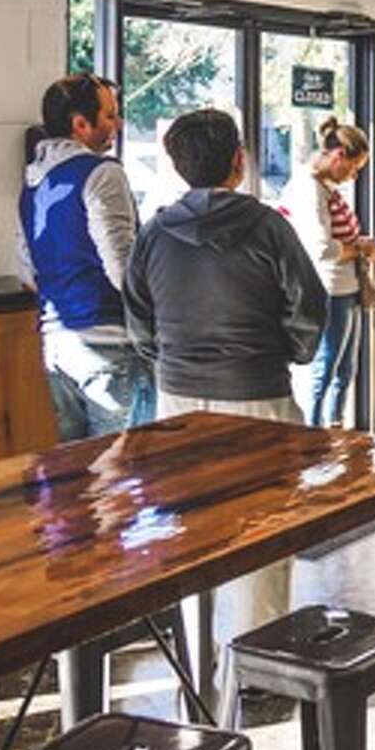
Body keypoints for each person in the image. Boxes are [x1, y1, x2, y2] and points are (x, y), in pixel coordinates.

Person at [124, 107, 328, 633]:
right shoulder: (265, 226)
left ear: (176, 166)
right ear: (239, 161)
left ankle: (198, 642)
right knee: (265, 521)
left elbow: (139, 318)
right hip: (258, 390)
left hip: (178, 403)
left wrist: (170, 361)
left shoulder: (154, 234)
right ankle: (258, 652)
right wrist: (288, 353)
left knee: (191, 523)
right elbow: (309, 305)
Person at [16, 73, 155, 440]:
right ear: (80, 124)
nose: (119, 124)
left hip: (58, 349)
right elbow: (122, 268)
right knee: (124, 474)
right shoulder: (102, 173)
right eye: (110, 116)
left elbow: (29, 272)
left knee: (76, 478)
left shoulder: (31, 184)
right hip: (107, 344)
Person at [281, 117, 375, 427]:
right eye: (353, 168)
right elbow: (321, 248)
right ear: (338, 155)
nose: (353, 176)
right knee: (325, 369)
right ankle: (313, 434)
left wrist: (359, 244)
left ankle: (335, 428)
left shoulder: (325, 188)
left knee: (344, 369)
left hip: (346, 289)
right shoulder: (309, 189)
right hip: (329, 289)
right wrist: (360, 248)